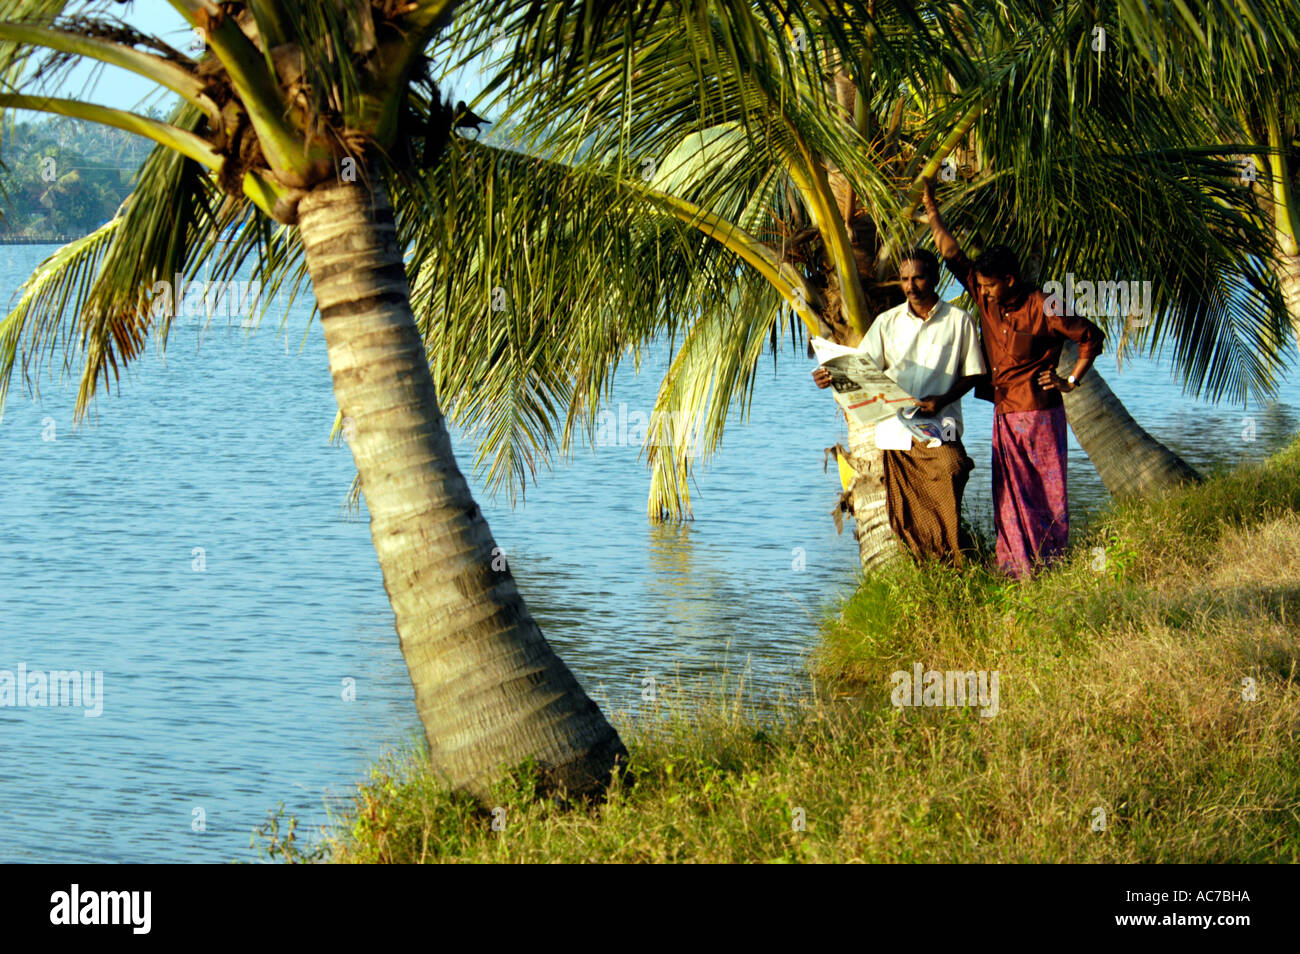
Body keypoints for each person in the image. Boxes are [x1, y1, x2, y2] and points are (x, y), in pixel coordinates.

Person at [921, 178, 1104, 579]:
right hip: (1004, 412)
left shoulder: (1045, 304)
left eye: (989, 286)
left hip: (1040, 415)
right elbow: (953, 255)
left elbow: (1091, 336)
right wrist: (933, 213)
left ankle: (1050, 565)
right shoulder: (987, 298)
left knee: (1043, 493)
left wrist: (1069, 380)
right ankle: (1016, 568)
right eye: (980, 286)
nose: (982, 293)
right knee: (1009, 493)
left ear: (1009, 280)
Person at [813, 248, 986, 566]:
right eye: (905, 279)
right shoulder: (886, 323)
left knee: (953, 468)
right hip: (896, 428)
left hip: (940, 423)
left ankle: (950, 555)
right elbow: (860, 369)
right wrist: (830, 378)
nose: (911, 285)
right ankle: (927, 565)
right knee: (907, 509)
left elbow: (974, 373)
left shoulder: (959, 321)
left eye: (918, 277)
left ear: (934, 278)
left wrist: (942, 400)